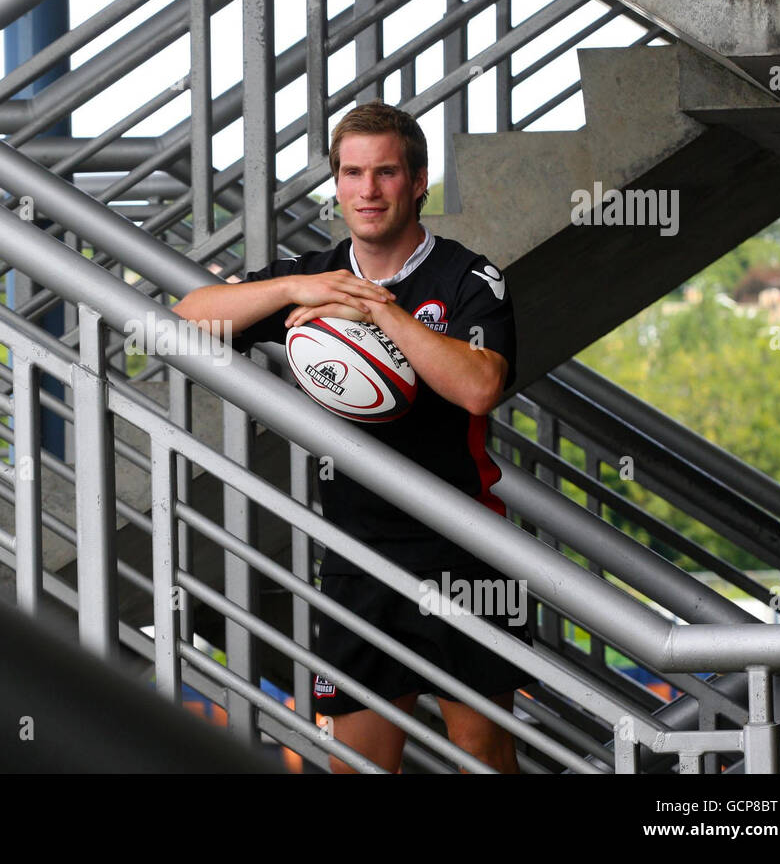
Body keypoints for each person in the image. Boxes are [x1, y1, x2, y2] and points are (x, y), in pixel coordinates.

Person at [172, 101, 532, 774]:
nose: (368, 191)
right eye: (352, 173)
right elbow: (189, 316)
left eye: (386, 173)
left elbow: (480, 386)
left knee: (483, 753)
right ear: (336, 182)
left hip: (461, 548)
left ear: (419, 181)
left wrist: (376, 312)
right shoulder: (313, 276)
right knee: (353, 764)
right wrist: (295, 290)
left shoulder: (467, 276)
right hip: (352, 554)